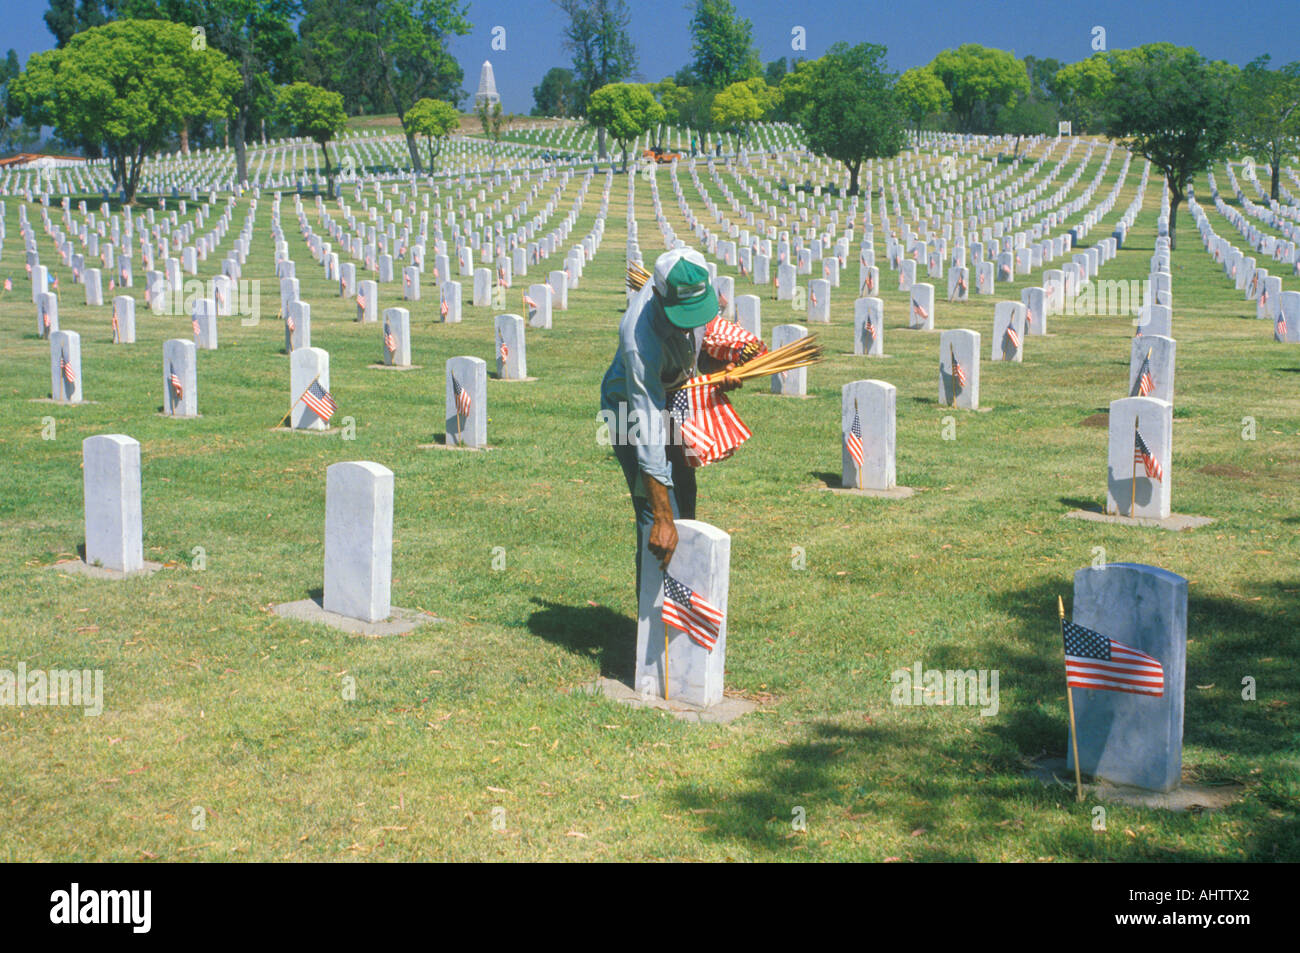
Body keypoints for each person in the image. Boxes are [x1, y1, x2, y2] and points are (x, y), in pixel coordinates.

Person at [600, 248, 740, 597]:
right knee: (656, 511)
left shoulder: (686, 287)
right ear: (661, 298)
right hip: (629, 413)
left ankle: (683, 603)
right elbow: (646, 425)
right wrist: (664, 516)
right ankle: (653, 627)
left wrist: (717, 371)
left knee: (685, 496)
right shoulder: (638, 339)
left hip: (672, 395)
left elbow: (695, 346)